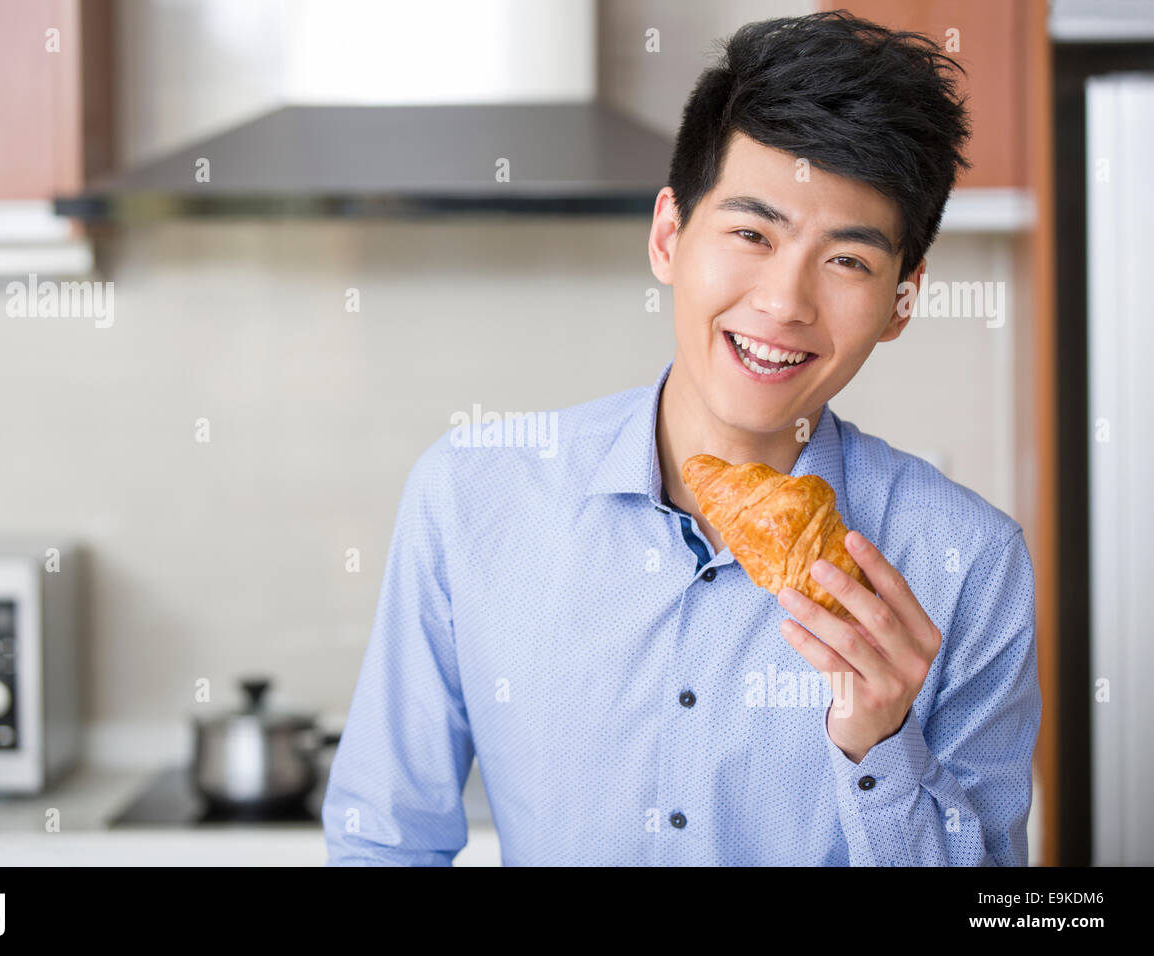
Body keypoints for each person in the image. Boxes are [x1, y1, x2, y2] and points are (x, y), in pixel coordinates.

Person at [322, 10, 1040, 865]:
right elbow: (385, 842)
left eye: (847, 260)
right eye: (751, 233)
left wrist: (880, 748)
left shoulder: (969, 565)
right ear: (669, 235)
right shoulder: (470, 497)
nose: (784, 303)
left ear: (901, 301)